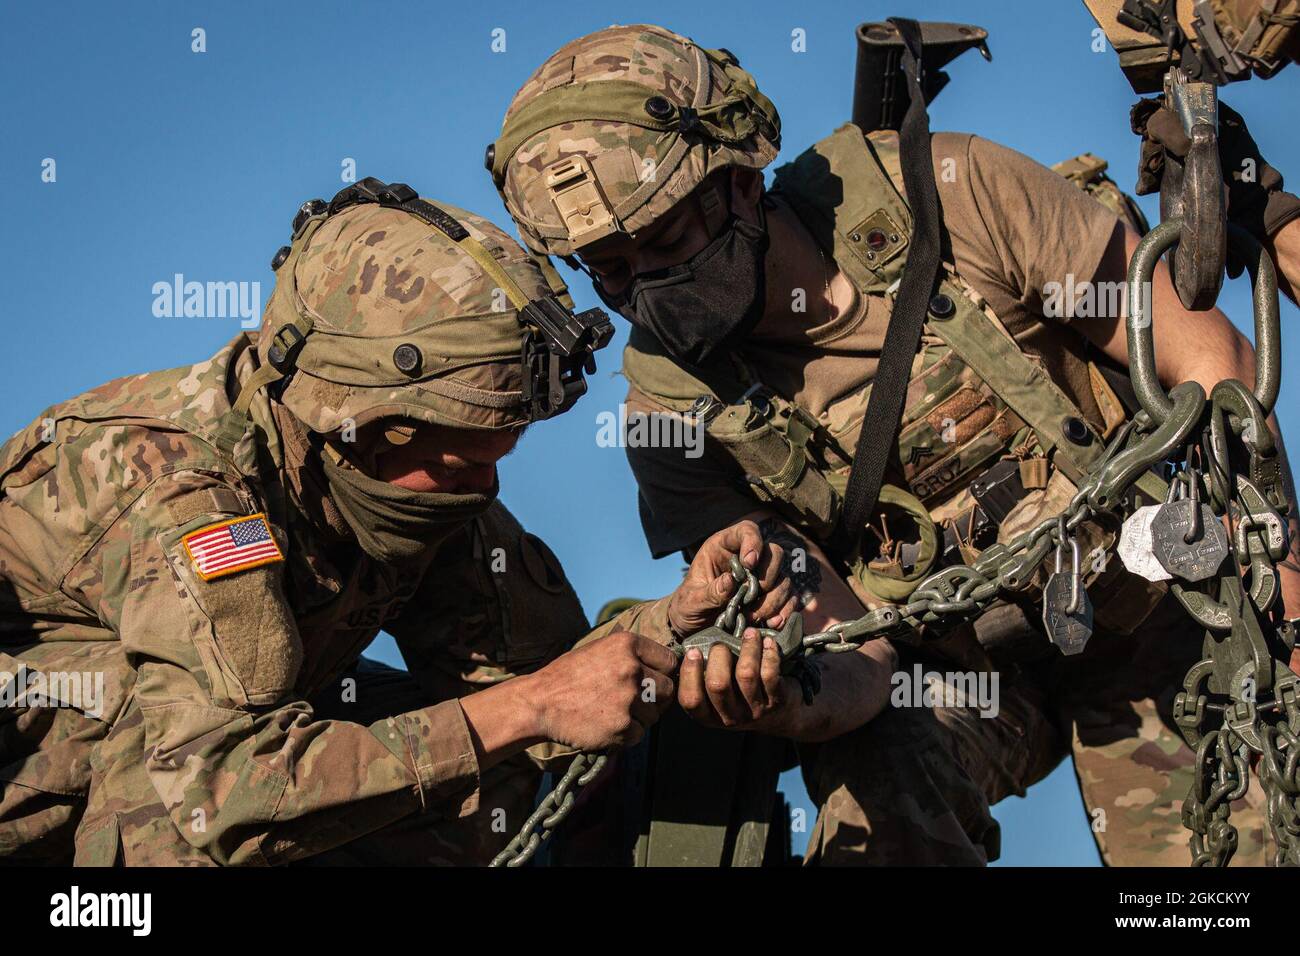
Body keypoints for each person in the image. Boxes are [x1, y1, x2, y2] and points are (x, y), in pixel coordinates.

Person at [487, 22, 1300, 865]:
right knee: (875, 773)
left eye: (664, 243)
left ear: (739, 182)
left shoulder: (951, 192)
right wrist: (789, 699)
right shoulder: (675, 413)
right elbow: (859, 657)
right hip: (969, 678)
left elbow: (1214, 367)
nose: (648, 288)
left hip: (1169, 611)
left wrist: (1286, 608)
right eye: (610, 270)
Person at [0, 178, 795, 865]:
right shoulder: (180, 490)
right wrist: (529, 708)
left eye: (498, 457)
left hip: (220, 749)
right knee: (171, 764)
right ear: (358, 426)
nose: (484, 487)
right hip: (59, 783)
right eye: (459, 463)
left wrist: (672, 621)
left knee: (484, 757)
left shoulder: (412, 485)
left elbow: (540, 677)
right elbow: (223, 793)